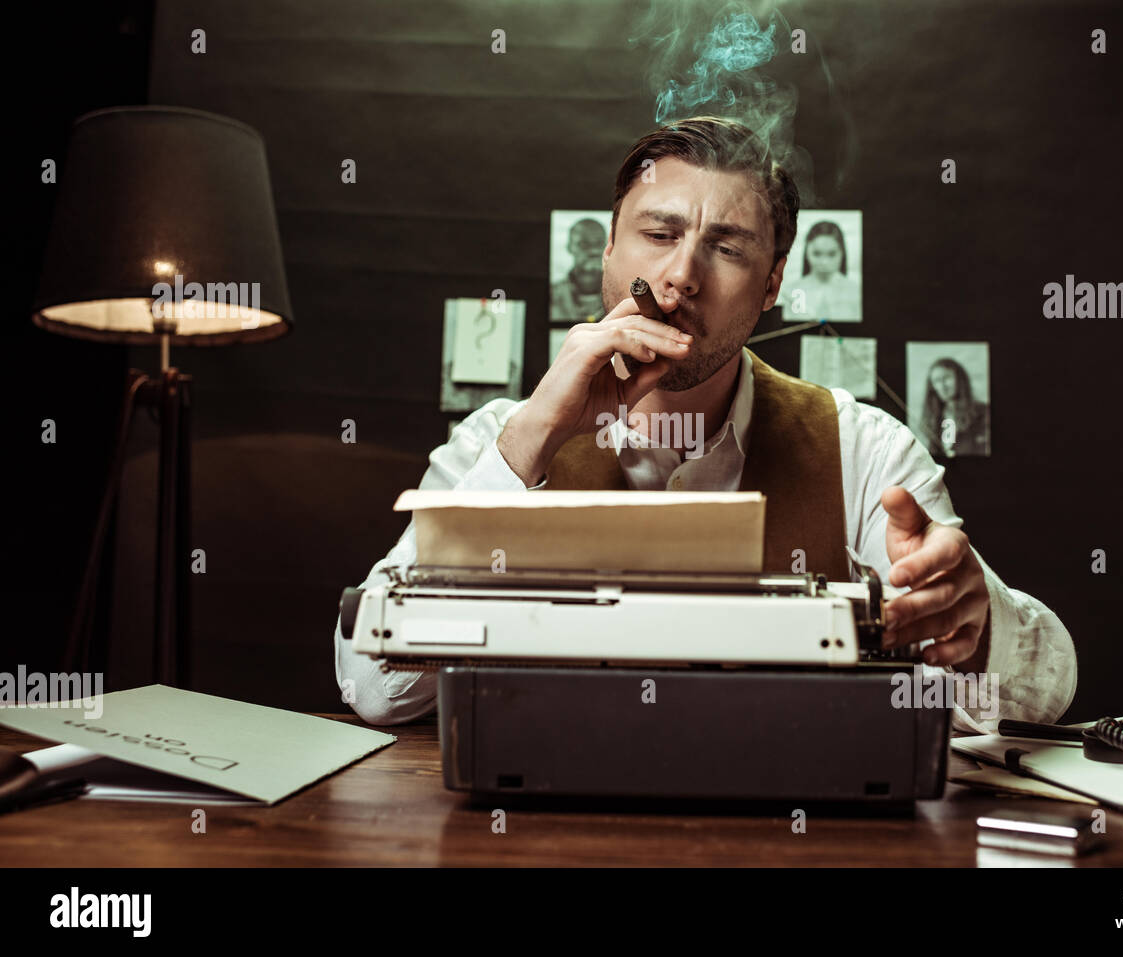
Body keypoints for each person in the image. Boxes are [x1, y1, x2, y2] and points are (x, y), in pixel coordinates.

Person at [335, 116, 1076, 733]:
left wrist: (970, 625)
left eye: (726, 247)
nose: (683, 275)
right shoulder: (496, 440)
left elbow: (1047, 693)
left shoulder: (864, 450)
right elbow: (372, 688)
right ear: (607, 253)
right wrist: (531, 440)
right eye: (658, 234)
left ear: (774, 282)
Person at [776, 219, 862, 320]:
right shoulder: (791, 292)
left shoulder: (856, 292)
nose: (824, 262)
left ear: (842, 253)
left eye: (831, 254)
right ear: (807, 253)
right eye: (817, 253)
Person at [920, 358, 990, 458]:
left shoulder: (983, 413)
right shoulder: (934, 418)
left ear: (960, 380)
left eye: (947, 378)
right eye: (936, 381)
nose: (943, 386)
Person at [549, 217, 607, 320]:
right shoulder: (552, 294)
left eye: (599, 244)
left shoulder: (620, 293)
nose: (594, 251)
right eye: (584, 244)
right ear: (570, 247)